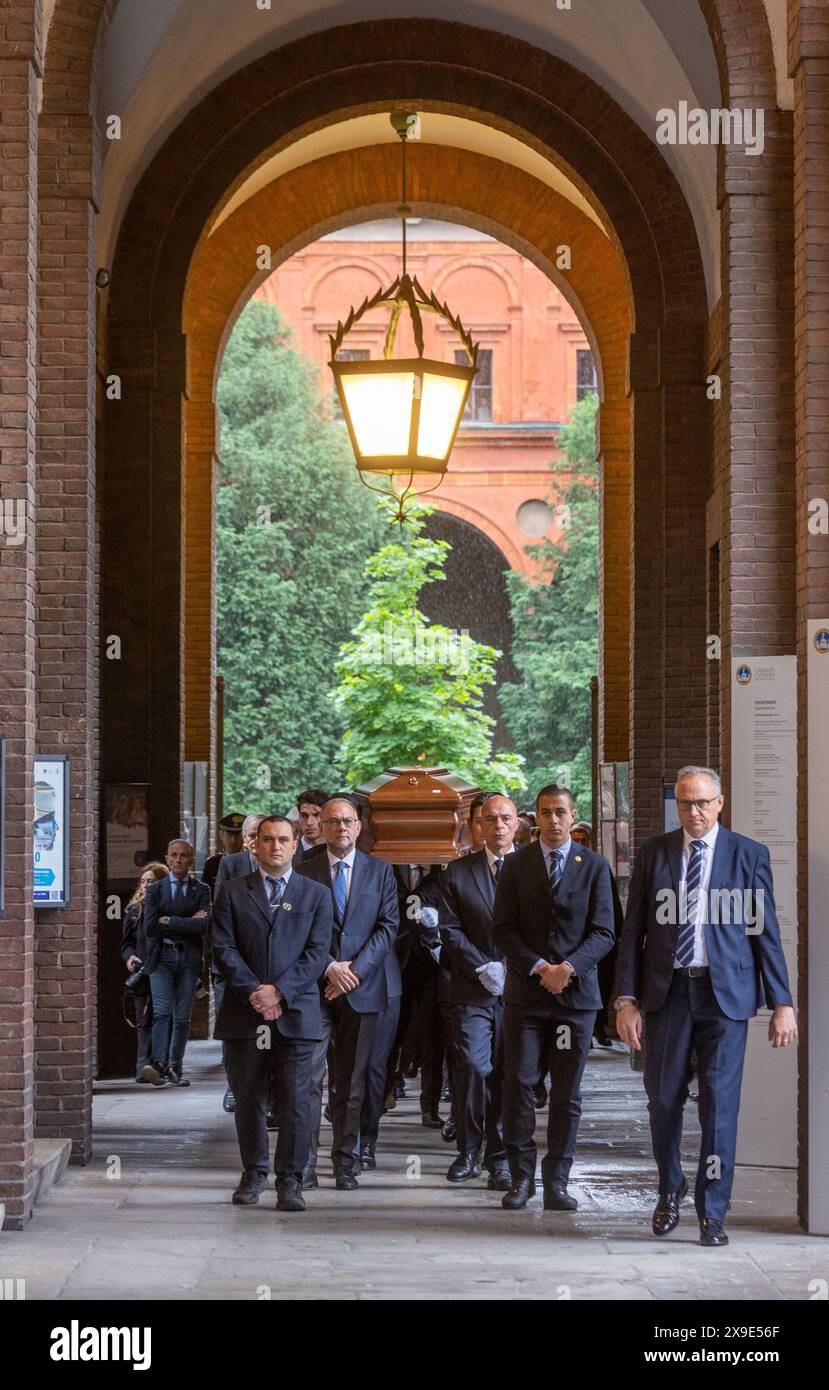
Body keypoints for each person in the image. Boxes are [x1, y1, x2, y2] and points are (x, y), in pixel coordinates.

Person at [614, 765, 797, 1247]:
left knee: (719, 1109)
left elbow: (765, 934)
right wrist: (625, 999)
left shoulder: (748, 855)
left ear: (720, 804)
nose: (692, 812)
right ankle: (669, 1189)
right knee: (664, 1101)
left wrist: (782, 1001)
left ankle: (712, 1210)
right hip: (666, 994)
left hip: (726, 998)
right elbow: (633, 932)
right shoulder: (655, 853)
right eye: (684, 803)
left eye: (701, 803)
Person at [493, 785, 616, 1211]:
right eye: (545, 813)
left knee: (566, 1092)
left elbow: (605, 932)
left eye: (561, 812)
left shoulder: (595, 867)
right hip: (528, 997)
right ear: (536, 819)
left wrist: (569, 968)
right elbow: (503, 929)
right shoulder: (516, 865)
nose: (553, 820)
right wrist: (540, 967)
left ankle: (557, 1182)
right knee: (520, 1085)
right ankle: (521, 1178)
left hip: (575, 1000)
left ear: (572, 813)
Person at [212, 816, 333, 1211]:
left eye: (283, 840)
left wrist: (279, 991)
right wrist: (255, 992)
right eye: (268, 840)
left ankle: (291, 1181)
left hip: (297, 1013)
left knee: (298, 1101)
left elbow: (318, 953)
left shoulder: (315, 894)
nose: (276, 847)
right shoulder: (231, 891)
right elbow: (222, 949)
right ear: (255, 846)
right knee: (248, 1098)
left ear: (295, 845)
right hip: (245, 1014)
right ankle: (254, 1174)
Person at [297, 797, 400, 1189]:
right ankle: (304, 1165)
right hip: (314, 988)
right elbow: (295, 928)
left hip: (363, 988)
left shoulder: (380, 871)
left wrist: (353, 971)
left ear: (359, 827)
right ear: (321, 827)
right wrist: (329, 967)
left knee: (352, 1082)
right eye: (333, 821)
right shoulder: (302, 869)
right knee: (307, 1080)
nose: (341, 828)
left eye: (348, 821)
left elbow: (388, 927)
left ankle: (345, 1161)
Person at [438, 794, 518, 1191]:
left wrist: (514, 967)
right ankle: (469, 1150)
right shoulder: (458, 872)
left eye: (506, 818)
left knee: (507, 1072)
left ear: (517, 824)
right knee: (472, 1066)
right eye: (491, 819)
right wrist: (482, 966)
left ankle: (499, 1158)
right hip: (473, 989)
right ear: (478, 826)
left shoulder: (532, 869)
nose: (499, 826)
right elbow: (448, 928)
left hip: (521, 991)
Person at [142, 840, 212, 1086]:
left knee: (182, 1017)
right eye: (174, 855)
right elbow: (150, 926)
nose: (179, 860)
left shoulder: (201, 890)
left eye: (184, 856)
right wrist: (186, 922)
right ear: (167, 859)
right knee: (162, 1012)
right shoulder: (156, 890)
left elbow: (203, 925)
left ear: (192, 860)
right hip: (162, 957)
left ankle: (176, 1068)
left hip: (189, 958)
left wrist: (169, 920)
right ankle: (159, 1063)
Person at [211, 813, 265, 1112]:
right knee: (233, 1031)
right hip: (231, 966)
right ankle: (234, 1086)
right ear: (244, 839)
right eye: (253, 834)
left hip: (264, 965)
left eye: (263, 833)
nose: (258, 839)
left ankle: (263, 1091)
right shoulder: (230, 866)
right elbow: (221, 915)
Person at [121, 861, 169, 1083]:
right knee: (142, 1021)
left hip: (163, 969)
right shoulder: (133, 910)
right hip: (141, 972)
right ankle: (142, 1069)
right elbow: (126, 943)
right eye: (143, 881)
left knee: (162, 1016)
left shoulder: (167, 908)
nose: (146, 885)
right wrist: (130, 958)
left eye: (151, 881)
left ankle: (161, 1065)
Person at [203, 812, 245, 897]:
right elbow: (205, 897)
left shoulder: (254, 863)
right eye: (229, 834)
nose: (233, 840)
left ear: (244, 837)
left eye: (237, 835)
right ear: (221, 835)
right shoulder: (212, 864)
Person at [293, 788, 329, 861]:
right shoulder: (288, 853)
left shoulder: (336, 852)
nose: (309, 823)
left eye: (316, 815)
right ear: (299, 818)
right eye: (304, 815)